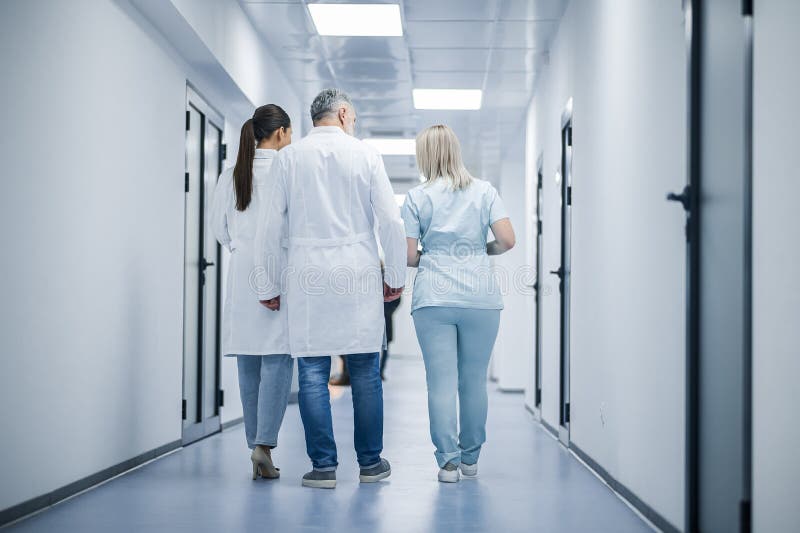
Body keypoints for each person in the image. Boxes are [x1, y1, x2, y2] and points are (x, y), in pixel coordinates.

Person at [254, 88, 405, 489]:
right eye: (352, 117)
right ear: (341, 114)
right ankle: (370, 465)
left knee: (313, 371)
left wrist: (267, 282)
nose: (352, 123)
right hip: (357, 272)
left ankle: (323, 468)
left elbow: (269, 227)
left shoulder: (288, 158)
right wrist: (395, 279)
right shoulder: (366, 155)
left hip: (307, 274)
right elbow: (391, 222)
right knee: (366, 373)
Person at [401, 124, 516, 483]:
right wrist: (482, 250)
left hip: (433, 299)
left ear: (425, 156)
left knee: (440, 382)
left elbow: (407, 255)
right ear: (456, 151)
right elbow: (508, 241)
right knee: (473, 381)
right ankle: (471, 460)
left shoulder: (416, 197)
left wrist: (434, 255)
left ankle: (447, 463)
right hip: (480, 299)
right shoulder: (484, 191)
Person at [210, 104, 293, 481]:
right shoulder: (289, 173)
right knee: (278, 358)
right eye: (289, 133)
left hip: (242, 270)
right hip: (280, 267)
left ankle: (253, 446)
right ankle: (264, 445)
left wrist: (240, 246)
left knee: (248, 361)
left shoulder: (231, 175)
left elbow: (220, 230)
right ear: (280, 133)